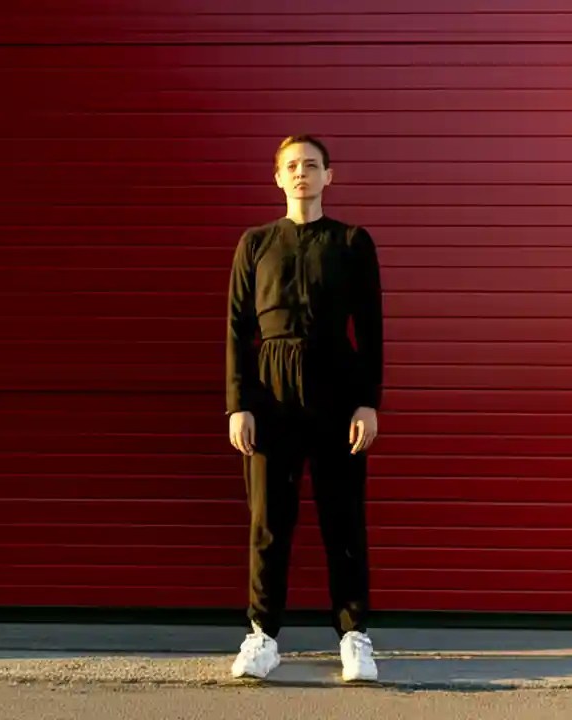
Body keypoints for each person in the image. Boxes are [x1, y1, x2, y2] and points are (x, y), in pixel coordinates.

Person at [224, 135, 384, 682]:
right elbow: (237, 329)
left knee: (344, 518)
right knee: (269, 520)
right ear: (277, 177)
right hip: (269, 392)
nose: (301, 173)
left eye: (311, 165)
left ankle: (354, 637)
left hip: (336, 386)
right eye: (291, 166)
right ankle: (262, 636)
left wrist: (367, 402)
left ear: (327, 177)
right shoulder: (255, 243)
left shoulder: (352, 242)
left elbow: (370, 329)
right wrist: (238, 404)